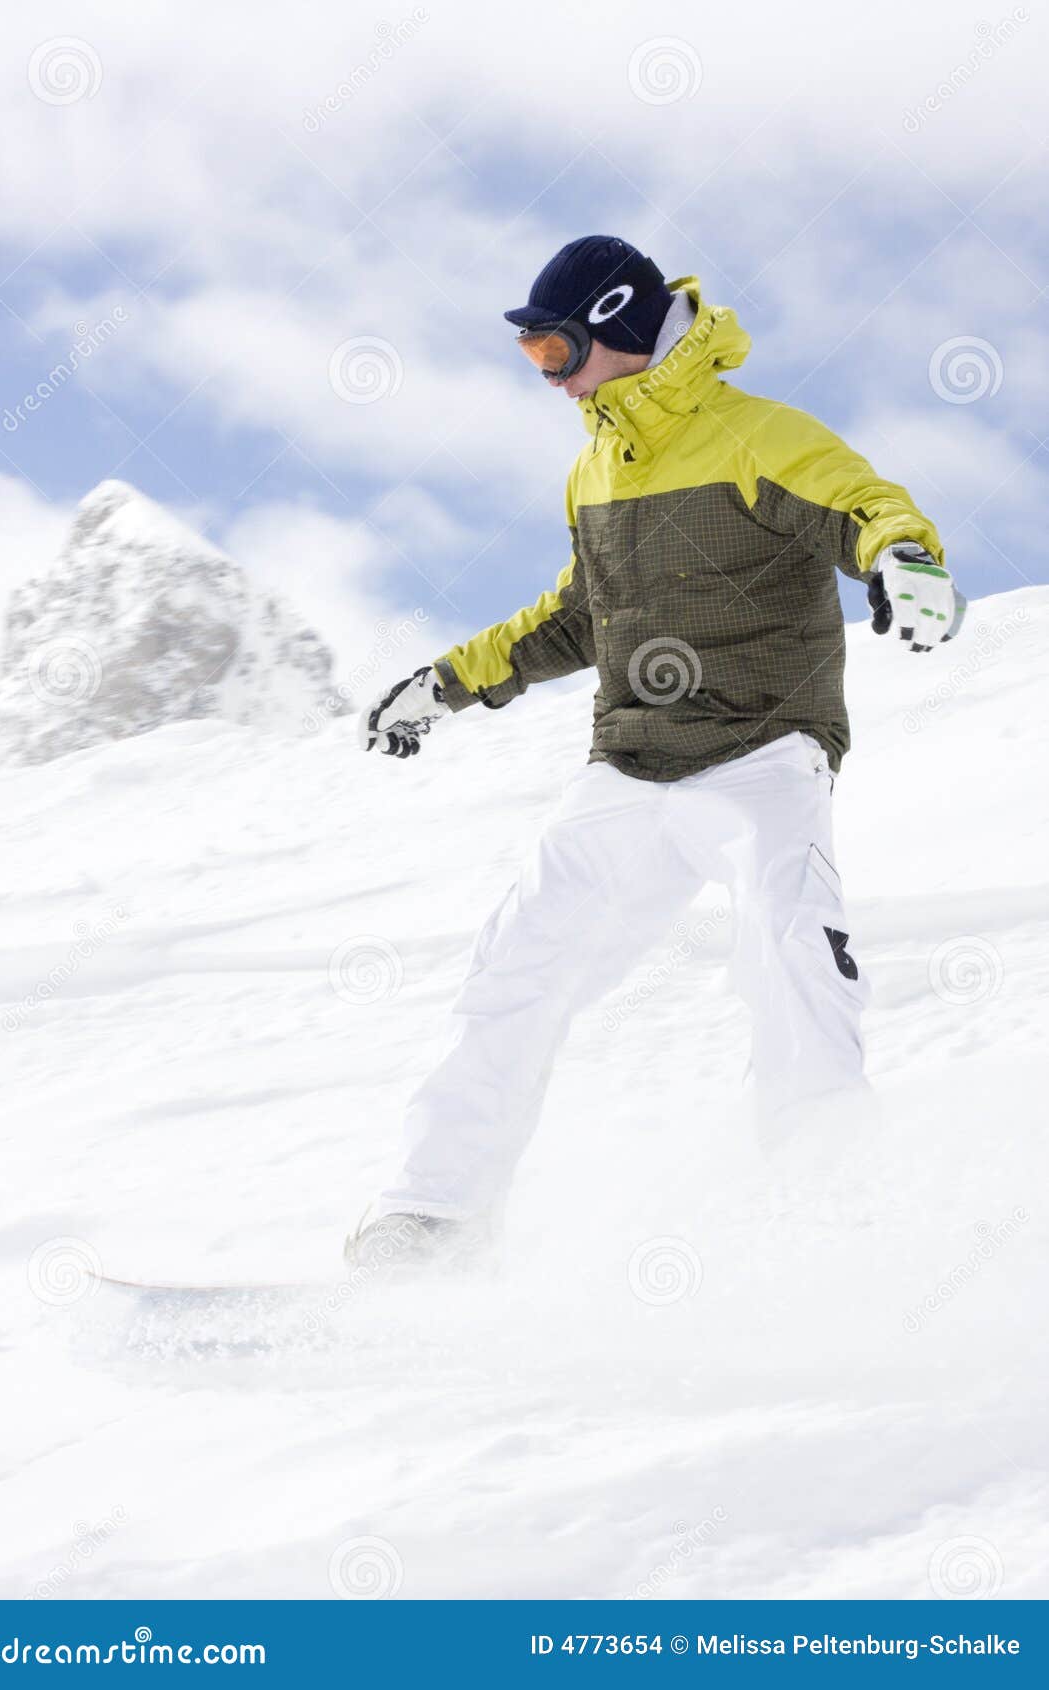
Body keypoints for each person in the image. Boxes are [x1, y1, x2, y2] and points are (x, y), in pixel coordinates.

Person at [347, 234, 965, 1270]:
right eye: (531, 358)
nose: (547, 379)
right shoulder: (592, 469)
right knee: (519, 961)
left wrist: (903, 559)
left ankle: (828, 1214)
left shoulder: (756, 435)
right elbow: (575, 615)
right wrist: (444, 684)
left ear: (621, 325)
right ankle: (435, 1216)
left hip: (763, 750)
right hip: (627, 765)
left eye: (555, 351)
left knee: (786, 945)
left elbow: (863, 502)